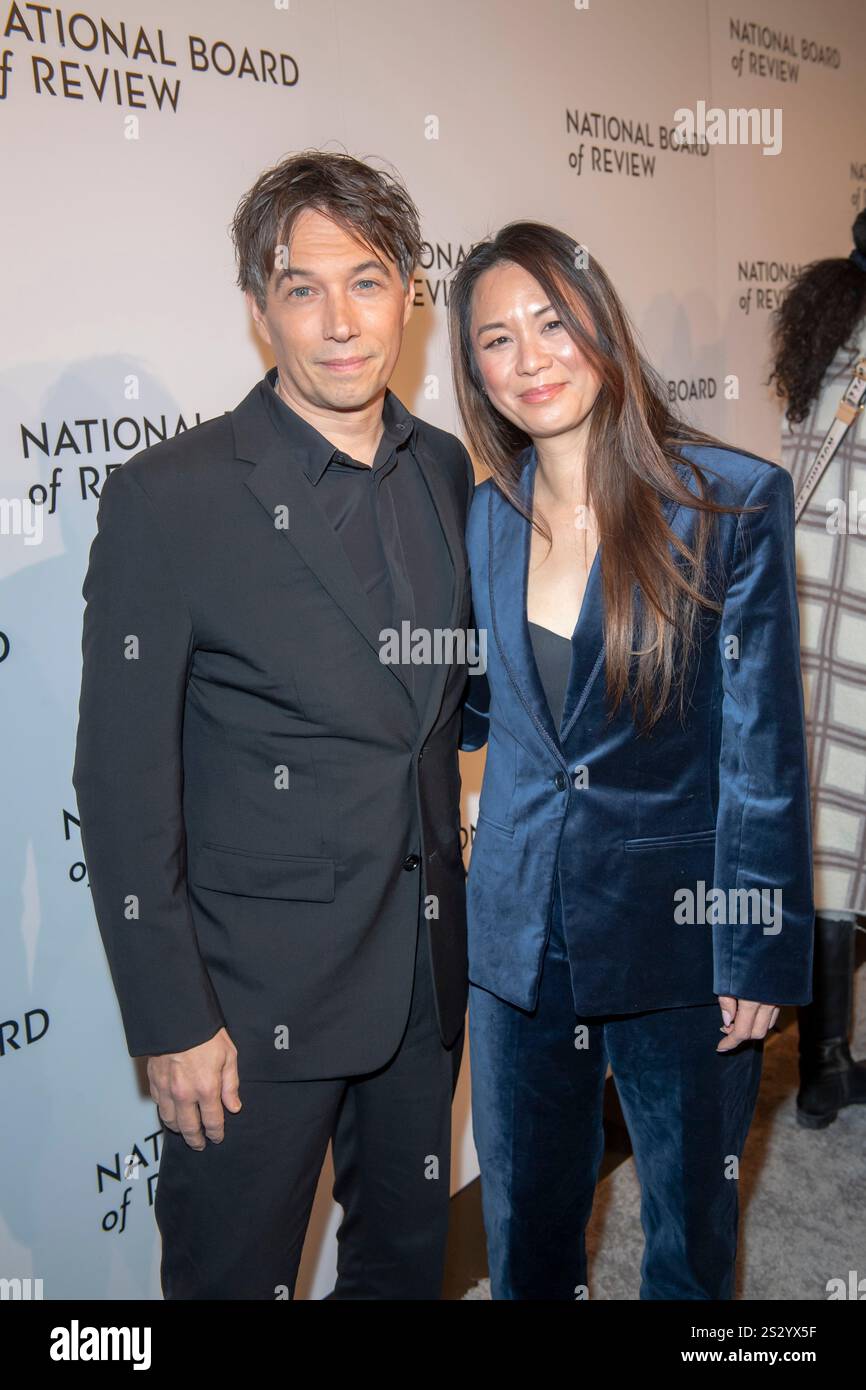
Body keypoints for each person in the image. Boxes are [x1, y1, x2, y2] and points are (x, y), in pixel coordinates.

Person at [72, 150, 475, 1300]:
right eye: (303, 288)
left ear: (409, 291)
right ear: (259, 309)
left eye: (366, 281)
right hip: (247, 1013)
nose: (341, 322)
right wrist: (171, 1017)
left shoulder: (446, 471)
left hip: (418, 980)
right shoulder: (171, 498)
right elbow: (120, 783)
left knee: (403, 1263)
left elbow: (440, 711)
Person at [450, 221, 815, 1300]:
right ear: (472, 370)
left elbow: (759, 744)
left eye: (550, 323)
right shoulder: (484, 517)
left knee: (687, 1239)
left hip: (681, 928)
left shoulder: (725, 500)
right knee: (524, 1234)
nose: (529, 358)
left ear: (598, 323)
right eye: (495, 340)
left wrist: (753, 938)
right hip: (519, 932)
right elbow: (478, 701)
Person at [769, 208, 866, 1129]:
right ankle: (825, 1063)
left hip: (817, 625)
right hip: (855, 627)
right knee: (841, 844)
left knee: (831, 844)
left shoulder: (831, 328)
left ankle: (824, 1062)